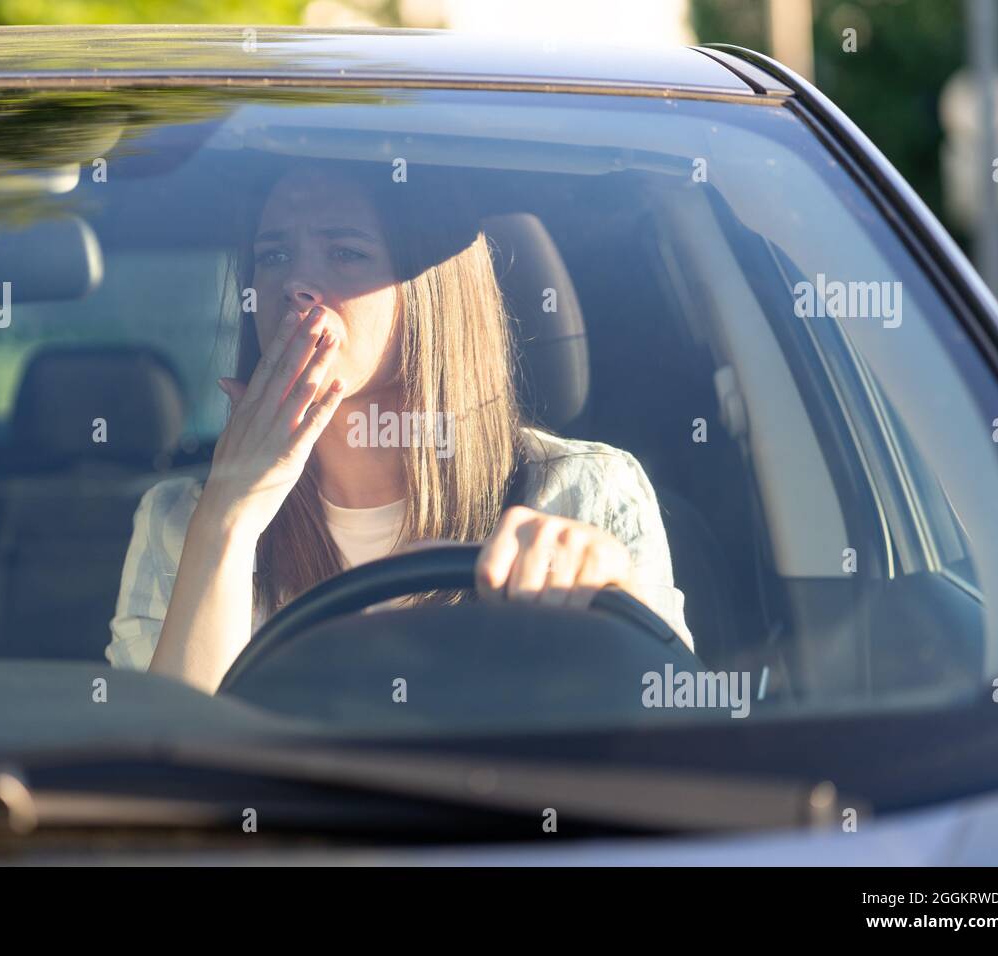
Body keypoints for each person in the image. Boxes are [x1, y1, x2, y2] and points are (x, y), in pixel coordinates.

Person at [108, 162, 692, 693]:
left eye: (346, 253)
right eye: (274, 256)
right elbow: (165, 771)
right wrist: (229, 520)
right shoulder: (180, 520)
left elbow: (672, 751)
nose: (294, 285)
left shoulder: (581, 496)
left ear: (430, 293)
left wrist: (619, 602)